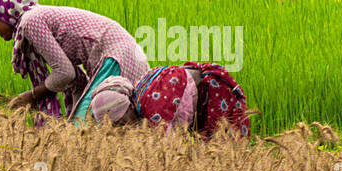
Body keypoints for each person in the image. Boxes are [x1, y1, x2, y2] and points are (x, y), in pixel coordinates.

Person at [0, 0, 150, 123]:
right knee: (111, 122)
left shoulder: (30, 21)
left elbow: (64, 73)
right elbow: (76, 80)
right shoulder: (36, 18)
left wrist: (32, 95)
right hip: (123, 51)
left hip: (116, 55)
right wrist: (72, 115)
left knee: (86, 126)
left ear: (4, 12)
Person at [89, 65, 252, 140]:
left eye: (121, 122)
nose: (122, 129)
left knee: (226, 150)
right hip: (203, 93)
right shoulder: (137, 90)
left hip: (216, 93)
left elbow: (174, 147)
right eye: (115, 127)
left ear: (128, 106)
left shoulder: (152, 109)